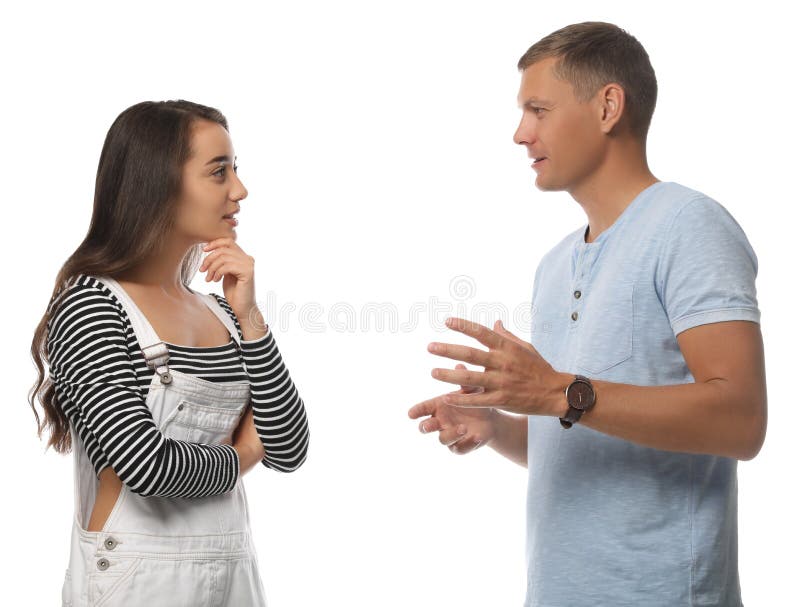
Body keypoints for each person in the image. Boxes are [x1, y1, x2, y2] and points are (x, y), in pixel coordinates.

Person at [408, 21, 766, 607]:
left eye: (538, 109)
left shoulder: (689, 226)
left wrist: (556, 393)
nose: (520, 133)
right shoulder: (554, 265)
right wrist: (502, 427)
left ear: (607, 107)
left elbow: (741, 420)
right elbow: (585, 425)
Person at [29, 100, 310, 606]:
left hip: (234, 577)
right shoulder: (91, 305)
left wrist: (250, 319)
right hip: (136, 583)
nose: (239, 191)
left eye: (236, 171)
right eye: (218, 172)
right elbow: (148, 467)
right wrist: (245, 453)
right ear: (158, 183)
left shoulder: (222, 310)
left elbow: (289, 450)